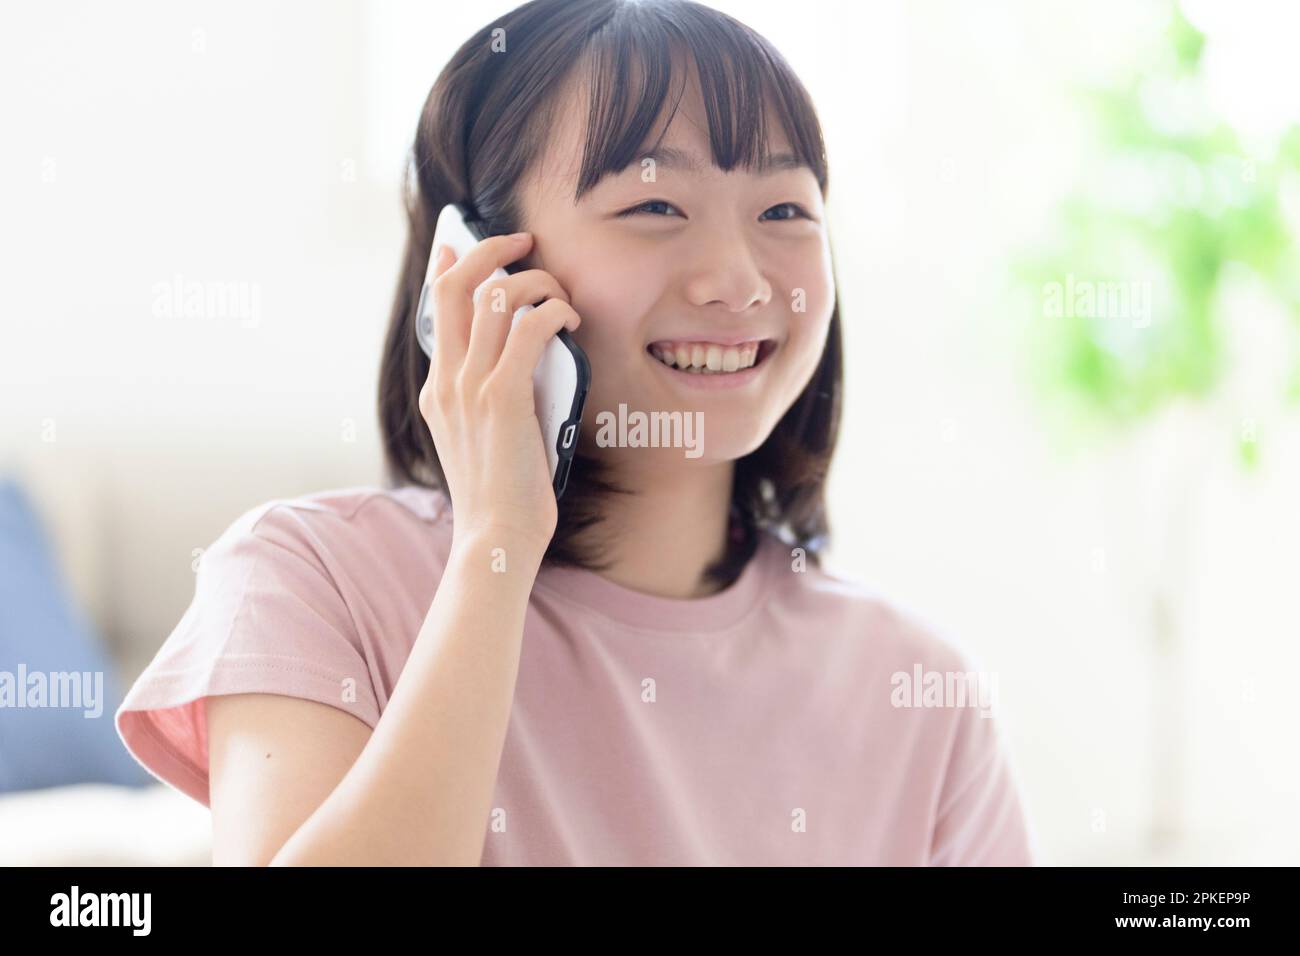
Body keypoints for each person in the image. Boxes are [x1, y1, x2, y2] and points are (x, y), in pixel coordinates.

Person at [116, 0, 1040, 866]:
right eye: (653, 207)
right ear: (472, 269)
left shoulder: (919, 689)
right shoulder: (310, 582)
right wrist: (496, 548)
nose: (739, 280)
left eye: (784, 211)